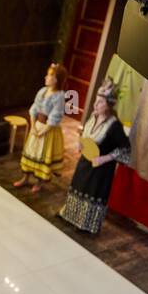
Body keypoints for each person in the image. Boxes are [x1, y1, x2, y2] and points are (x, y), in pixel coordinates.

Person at [59, 77, 131, 233]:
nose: (95, 105)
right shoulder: (93, 116)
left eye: (100, 103)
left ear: (109, 106)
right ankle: (71, 216)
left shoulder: (114, 125)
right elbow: (85, 133)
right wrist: (81, 142)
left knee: (92, 192)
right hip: (85, 162)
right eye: (96, 101)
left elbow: (126, 149)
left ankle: (86, 225)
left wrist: (104, 158)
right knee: (79, 186)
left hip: (101, 169)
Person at [13, 63, 68, 195]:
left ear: (56, 79)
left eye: (49, 75)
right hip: (37, 125)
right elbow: (34, 108)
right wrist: (33, 126)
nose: (46, 77)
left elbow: (56, 115)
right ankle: (25, 178)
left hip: (48, 129)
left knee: (42, 155)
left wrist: (43, 131)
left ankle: (39, 182)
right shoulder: (42, 91)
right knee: (31, 151)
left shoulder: (60, 96)